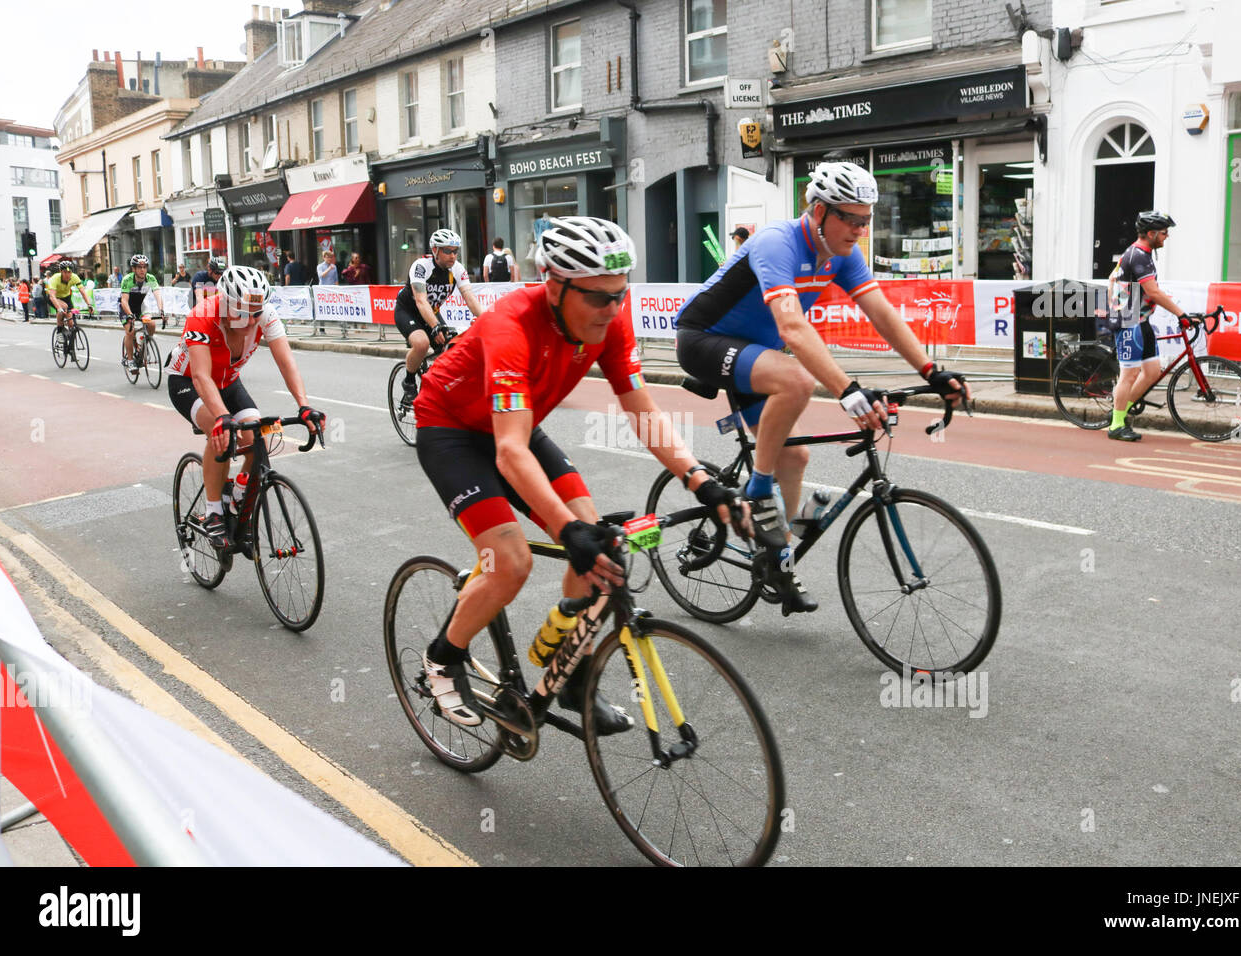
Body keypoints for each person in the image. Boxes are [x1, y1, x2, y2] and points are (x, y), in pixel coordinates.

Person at [412, 216, 748, 728]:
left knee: (601, 546)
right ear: (553, 284)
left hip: (517, 428)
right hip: (452, 429)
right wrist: (566, 531)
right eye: (597, 297)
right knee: (510, 560)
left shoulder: (610, 317)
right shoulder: (510, 324)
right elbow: (508, 452)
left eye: (620, 294)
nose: (612, 309)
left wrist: (699, 479)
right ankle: (442, 658)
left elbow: (642, 410)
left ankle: (569, 671)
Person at [675, 160, 969, 614]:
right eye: (849, 218)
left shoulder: (844, 255)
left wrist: (931, 370)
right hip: (704, 339)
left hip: (757, 351)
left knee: (795, 455)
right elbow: (792, 327)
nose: (858, 230)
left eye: (865, 220)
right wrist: (848, 391)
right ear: (817, 211)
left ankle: (776, 559)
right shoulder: (778, 241)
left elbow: (882, 314)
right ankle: (756, 492)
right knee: (796, 379)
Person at [164, 266, 324, 550]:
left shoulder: (265, 315)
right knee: (223, 433)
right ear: (224, 302)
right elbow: (201, 376)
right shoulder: (202, 315)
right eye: (243, 311)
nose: (251, 320)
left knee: (256, 435)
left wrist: (304, 406)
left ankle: (237, 495)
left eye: (255, 312)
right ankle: (214, 512)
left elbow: (286, 362)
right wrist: (222, 418)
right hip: (187, 382)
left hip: (228, 382)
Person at [1106, 210, 1190, 442]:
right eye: (1164, 233)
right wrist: (1181, 314)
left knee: (1152, 372)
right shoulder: (1138, 255)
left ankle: (1119, 411)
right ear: (1151, 233)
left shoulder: (1142, 253)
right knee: (1130, 374)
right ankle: (1116, 424)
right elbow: (1152, 291)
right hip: (1129, 320)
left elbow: (1114, 279)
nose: (1166, 237)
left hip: (1141, 319)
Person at [393, 228, 485, 405]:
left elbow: (470, 298)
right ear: (435, 250)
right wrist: (435, 326)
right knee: (422, 343)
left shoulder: (457, 269)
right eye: (447, 251)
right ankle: (409, 381)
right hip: (408, 311)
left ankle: (436, 386)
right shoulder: (421, 266)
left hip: (432, 313)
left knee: (451, 347)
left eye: (455, 251)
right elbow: (420, 300)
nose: (452, 255)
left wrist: (488, 319)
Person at [120, 254, 166, 368]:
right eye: (139, 267)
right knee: (130, 332)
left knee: (152, 325)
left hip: (140, 306)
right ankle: (130, 360)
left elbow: (158, 296)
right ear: (133, 269)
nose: (142, 270)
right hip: (126, 307)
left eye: (145, 267)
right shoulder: (127, 280)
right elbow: (124, 301)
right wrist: (130, 315)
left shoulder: (150, 278)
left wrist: (162, 311)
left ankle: (142, 347)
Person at [45, 261, 95, 326]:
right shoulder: (55, 278)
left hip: (66, 297)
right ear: (61, 272)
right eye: (65, 272)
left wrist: (89, 304)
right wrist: (59, 308)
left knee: (71, 322)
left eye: (69, 272)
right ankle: (59, 331)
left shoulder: (74, 277)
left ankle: (72, 334)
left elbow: (82, 291)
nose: (67, 275)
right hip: (54, 298)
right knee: (63, 308)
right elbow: (52, 296)